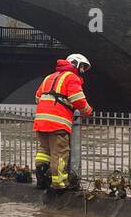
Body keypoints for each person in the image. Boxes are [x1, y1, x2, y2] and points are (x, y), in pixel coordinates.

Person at [33, 53, 93, 191]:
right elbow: (78, 99)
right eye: (82, 67)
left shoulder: (49, 77)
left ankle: (41, 180)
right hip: (57, 123)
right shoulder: (71, 77)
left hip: (41, 121)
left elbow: (37, 97)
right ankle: (59, 184)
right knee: (60, 153)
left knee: (44, 151)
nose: (83, 71)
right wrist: (88, 111)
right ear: (75, 64)